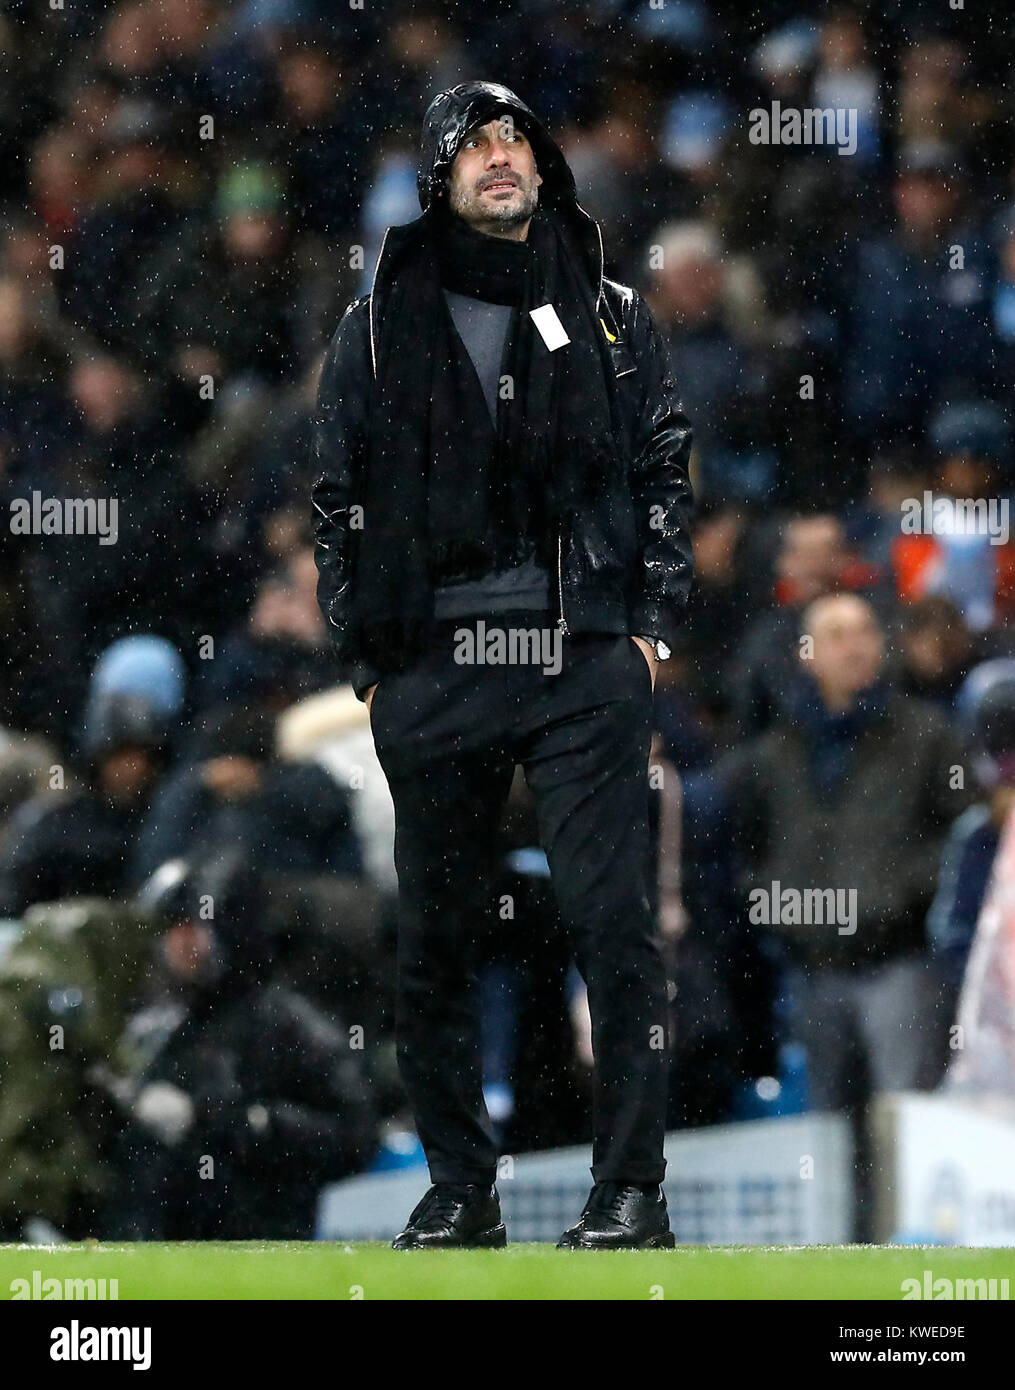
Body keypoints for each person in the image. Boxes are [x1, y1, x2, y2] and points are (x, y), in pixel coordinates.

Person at [311, 81, 694, 1249]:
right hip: (435, 662)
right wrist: (369, 658)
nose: (498, 156)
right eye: (473, 144)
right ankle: (459, 1189)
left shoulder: (615, 309)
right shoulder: (375, 321)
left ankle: (629, 1191)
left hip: (581, 651)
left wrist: (648, 630)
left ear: (541, 164)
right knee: (432, 937)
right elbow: (337, 495)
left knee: (611, 921)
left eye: (514, 138)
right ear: (438, 176)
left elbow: (663, 466)